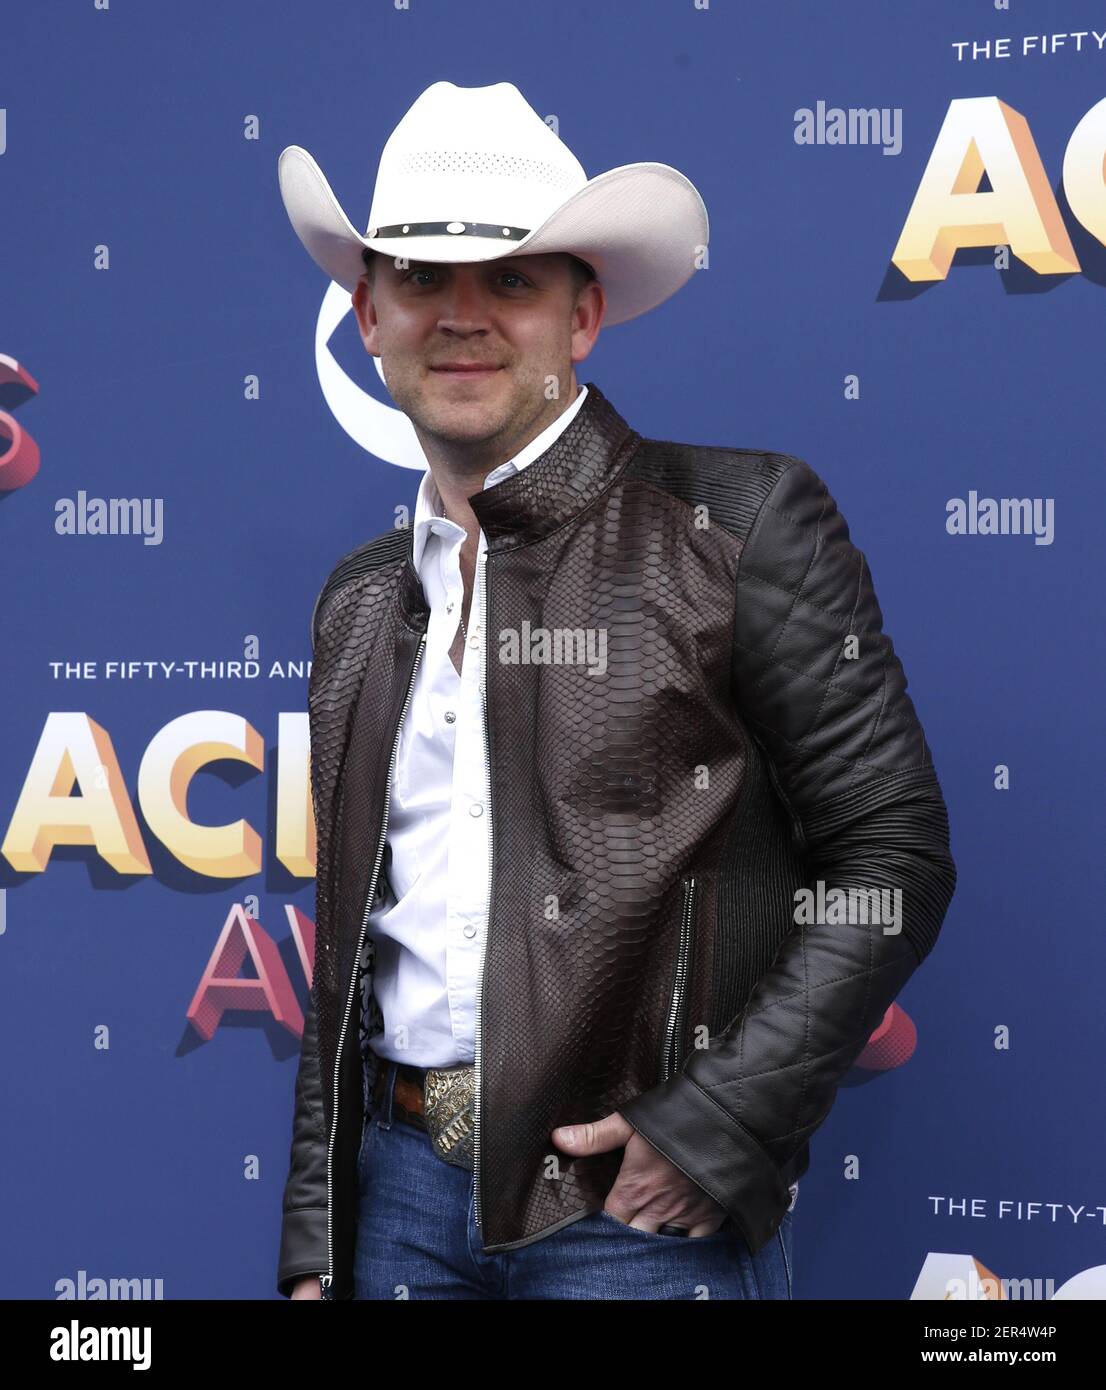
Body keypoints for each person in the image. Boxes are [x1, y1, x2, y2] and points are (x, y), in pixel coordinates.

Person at [274, 80, 956, 1301]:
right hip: (398, 1196)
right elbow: (348, 963)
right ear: (364, 313)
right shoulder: (361, 598)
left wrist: (717, 1123)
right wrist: (319, 1242)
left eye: (513, 280)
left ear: (582, 315)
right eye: (421, 277)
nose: (461, 315)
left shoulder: (741, 524)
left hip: (630, 1215)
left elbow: (891, 856)